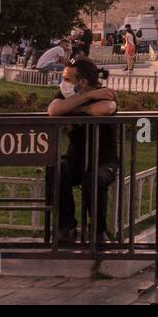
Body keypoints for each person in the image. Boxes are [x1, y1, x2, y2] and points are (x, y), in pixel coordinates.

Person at [46, 58, 120, 242]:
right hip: (75, 159)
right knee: (57, 169)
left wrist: (72, 109)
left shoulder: (104, 94)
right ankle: (66, 227)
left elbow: (104, 109)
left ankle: (96, 231)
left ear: (83, 82)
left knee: (94, 179)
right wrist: (86, 99)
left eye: (68, 79)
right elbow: (54, 110)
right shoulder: (69, 94)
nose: (64, 83)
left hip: (104, 161)